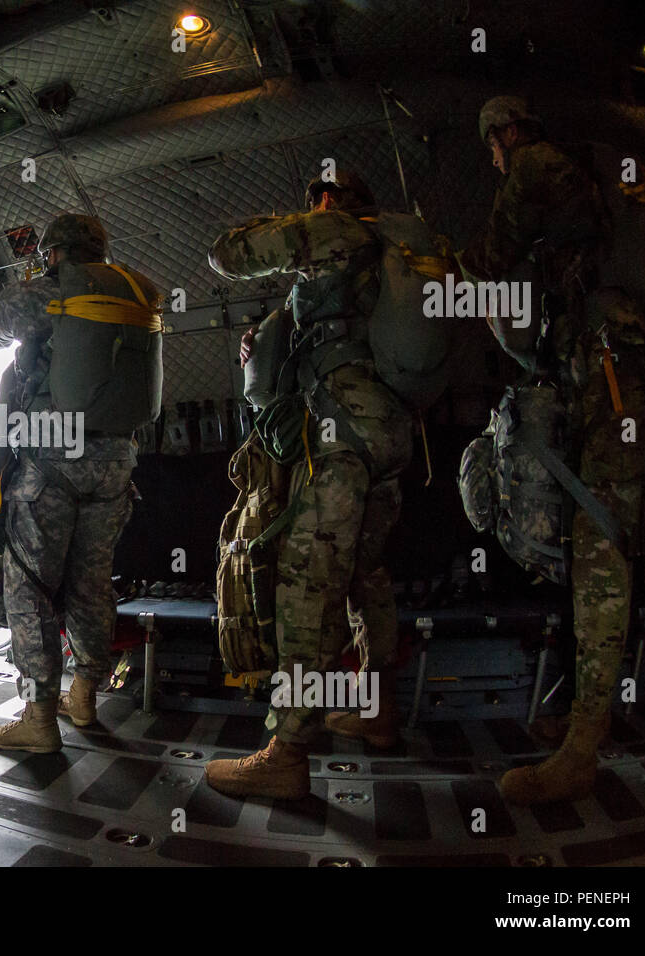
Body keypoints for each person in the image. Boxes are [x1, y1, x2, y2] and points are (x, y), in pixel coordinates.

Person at [460, 96, 645, 806]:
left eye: (492, 146)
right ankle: (582, 717)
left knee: (600, 544)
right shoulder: (572, 186)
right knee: (587, 539)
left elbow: (494, 251)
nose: (493, 158)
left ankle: (584, 749)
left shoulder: (536, 165)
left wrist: (453, 264)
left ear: (507, 133)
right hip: (595, 368)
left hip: (612, 372)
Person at [203, 171, 412, 799]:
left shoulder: (334, 230)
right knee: (365, 577)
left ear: (330, 200)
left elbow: (229, 254)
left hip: (340, 434)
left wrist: (283, 223)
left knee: (305, 586)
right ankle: (376, 711)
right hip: (393, 431)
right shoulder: (384, 260)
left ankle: (287, 752)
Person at [0, 214, 162, 753]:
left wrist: (27, 281)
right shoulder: (135, 294)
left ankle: (37, 718)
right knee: (91, 583)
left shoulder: (49, 292)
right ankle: (83, 696)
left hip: (52, 463)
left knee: (29, 584)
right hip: (116, 464)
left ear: (55, 254)